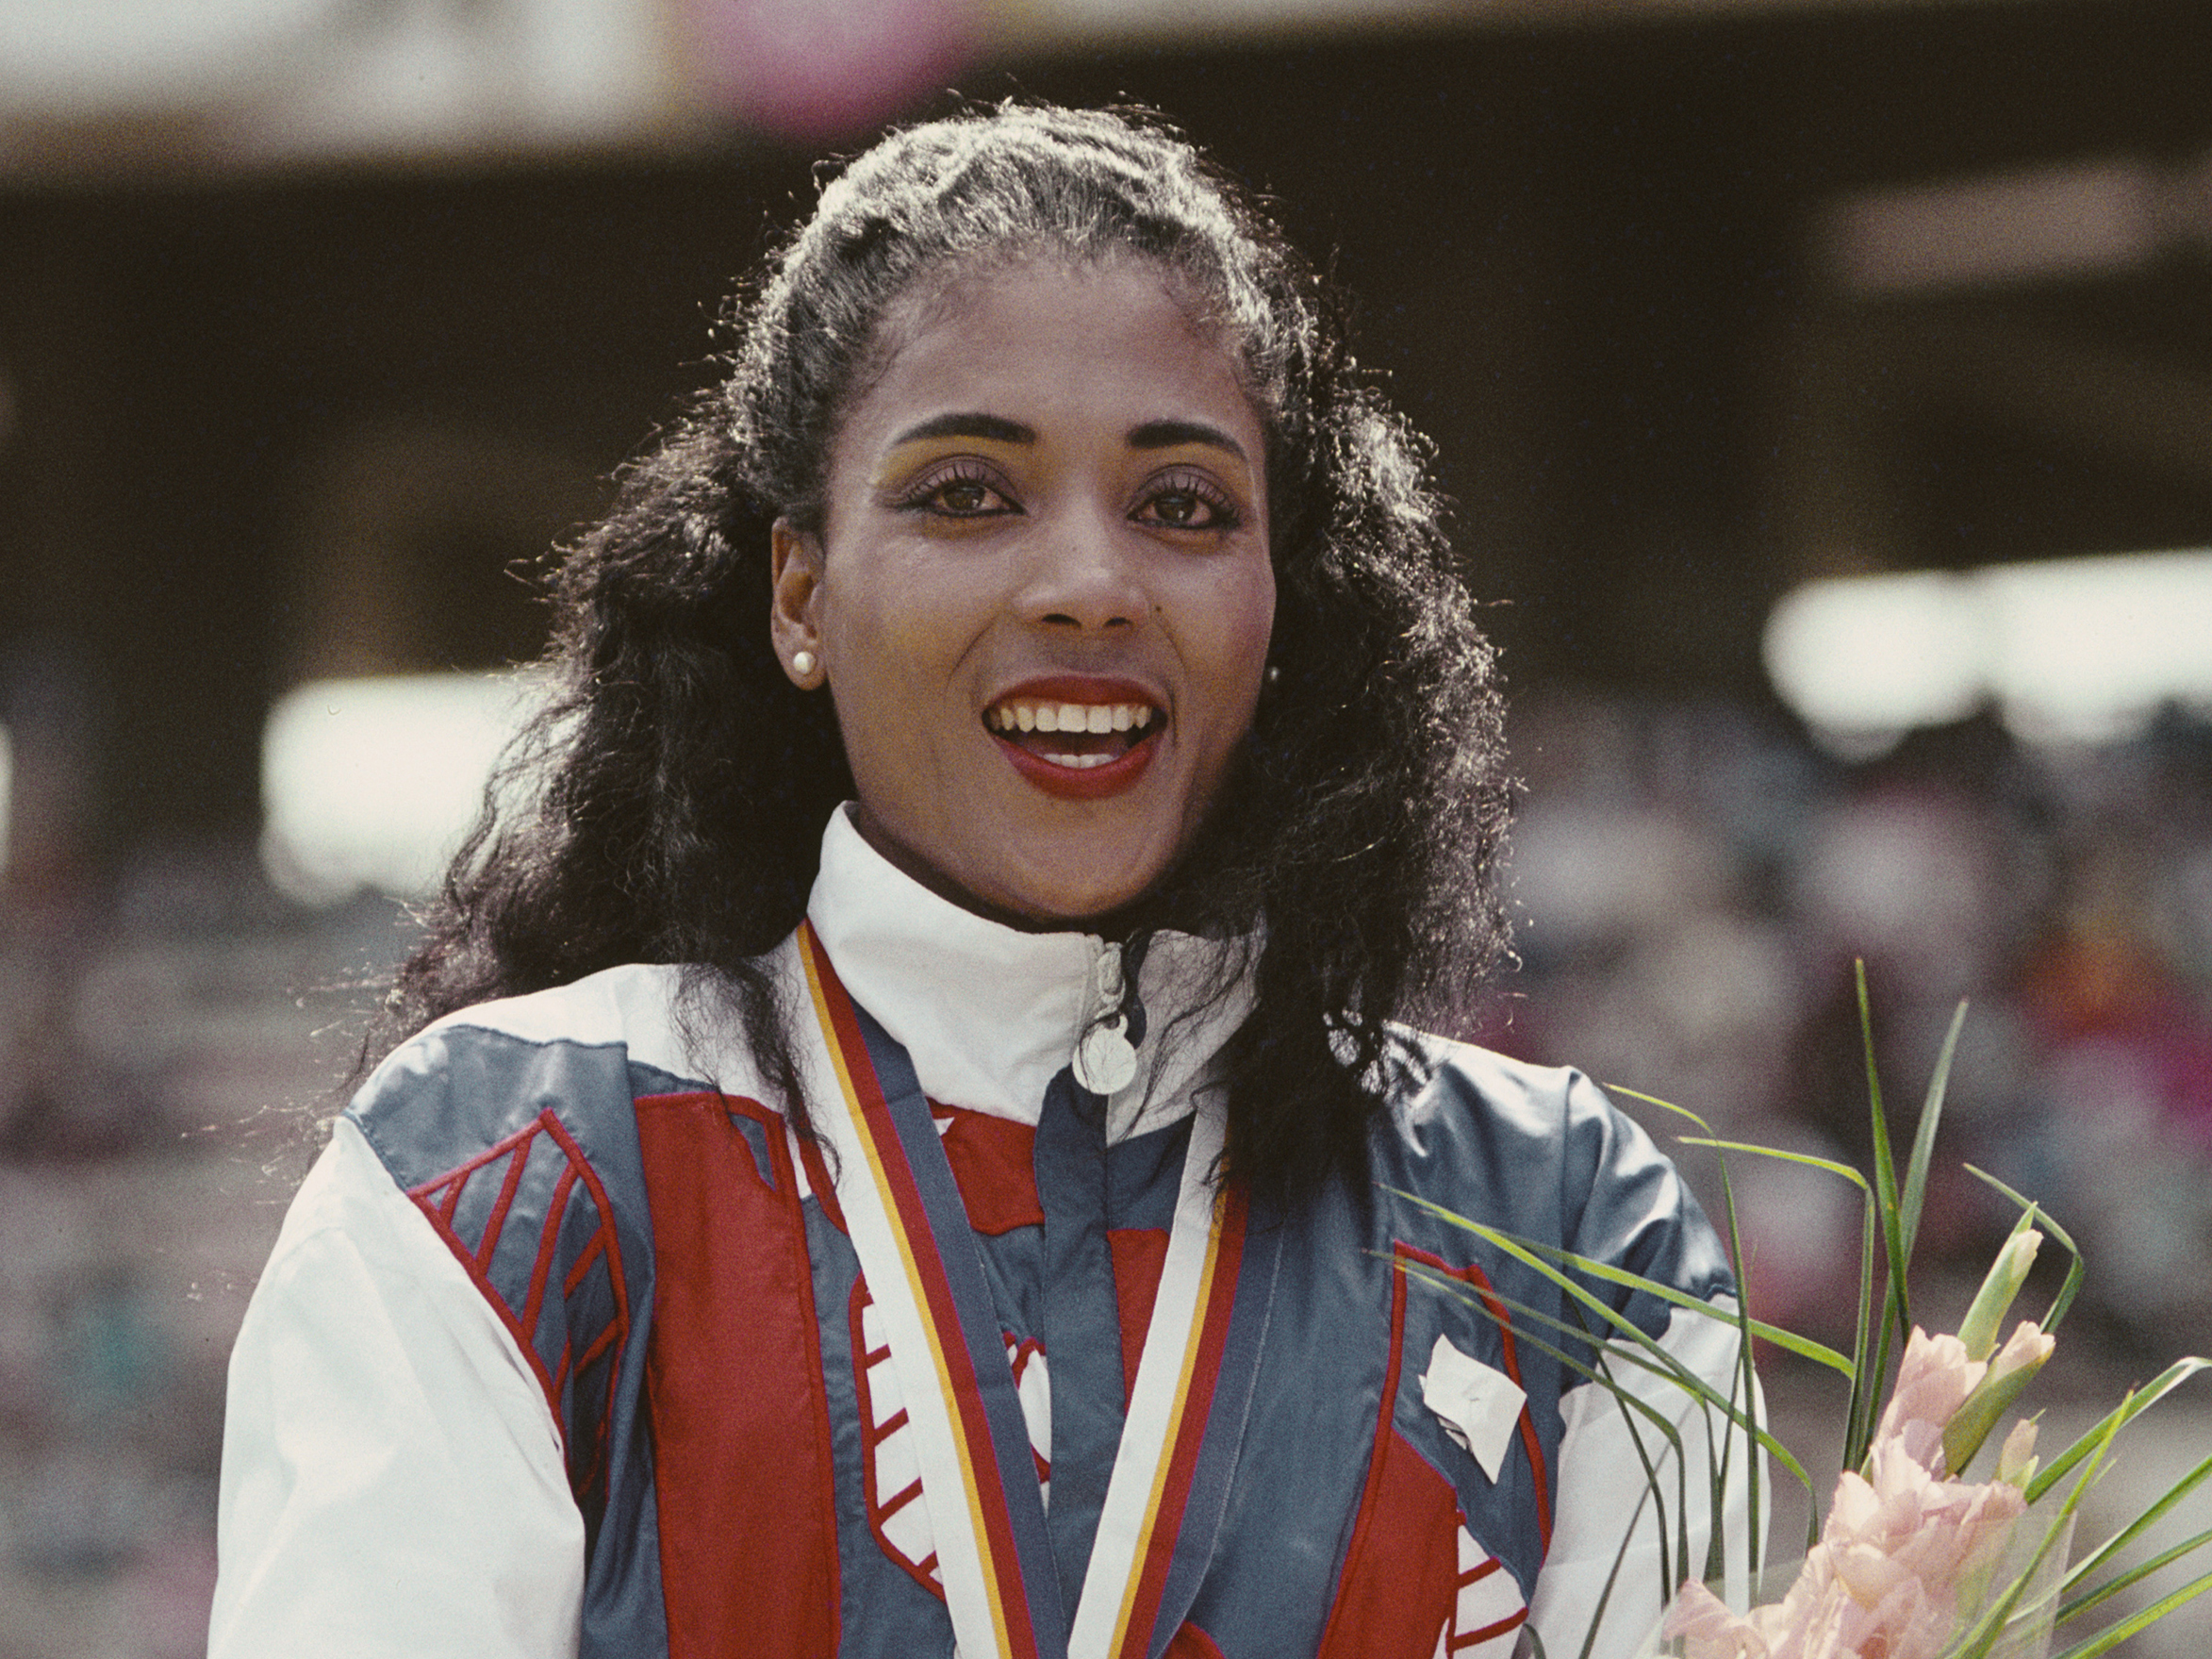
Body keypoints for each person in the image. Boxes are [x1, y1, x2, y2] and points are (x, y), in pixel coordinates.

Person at [209, 104, 1754, 1659]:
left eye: (1182, 505)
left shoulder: (1571, 1232)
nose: (1088, 584)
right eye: (965, 493)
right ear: (800, 596)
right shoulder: (502, 1175)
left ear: (1282, 604)